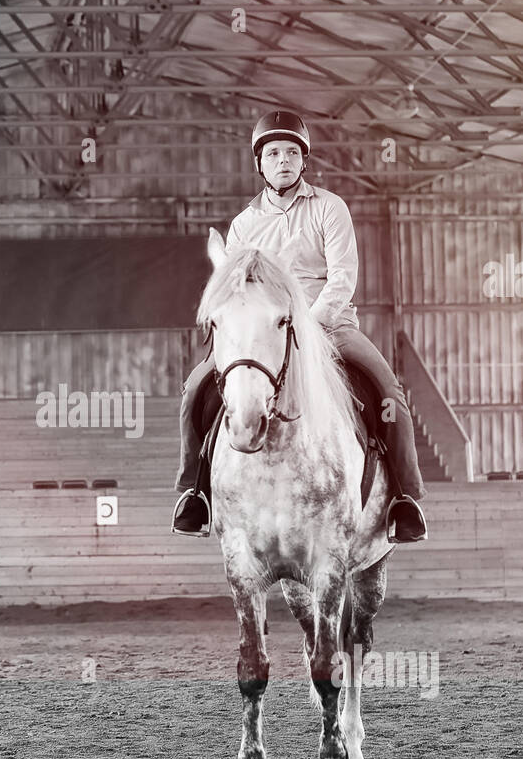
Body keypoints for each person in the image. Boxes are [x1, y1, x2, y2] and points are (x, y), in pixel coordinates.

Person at [171, 109, 428, 543]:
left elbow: (343, 278)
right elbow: (234, 290)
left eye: (292, 152)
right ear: (260, 162)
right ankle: (196, 491)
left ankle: (405, 498)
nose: (283, 159)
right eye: (273, 153)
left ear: (304, 160)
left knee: (389, 393)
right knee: (195, 389)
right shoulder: (243, 226)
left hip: (330, 328)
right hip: (264, 337)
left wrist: (306, 328)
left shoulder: (330, 208)